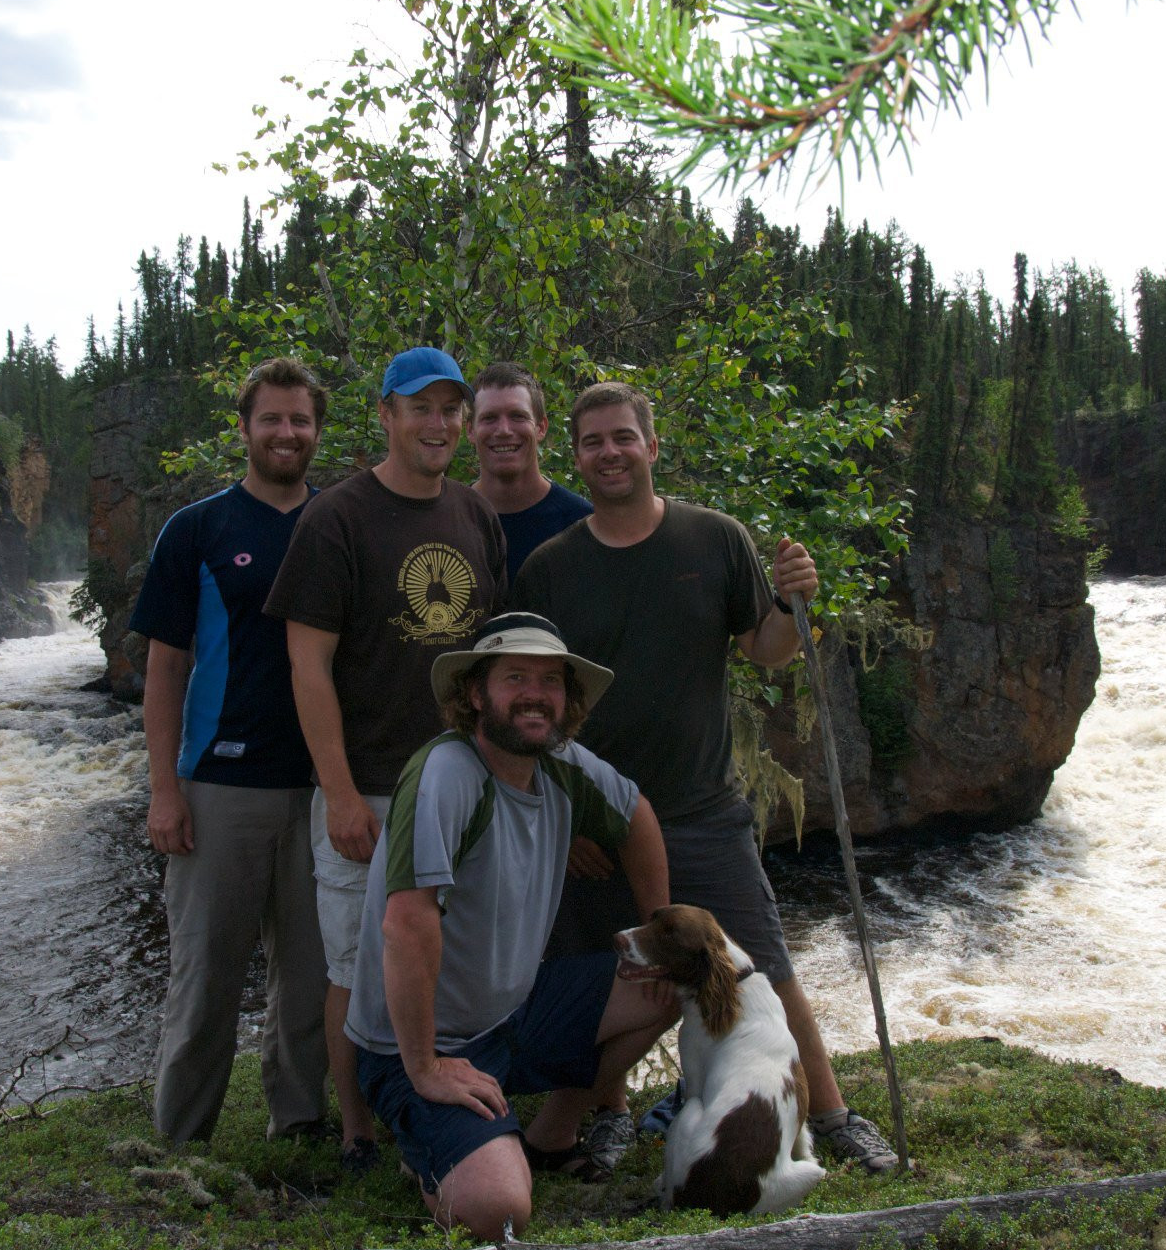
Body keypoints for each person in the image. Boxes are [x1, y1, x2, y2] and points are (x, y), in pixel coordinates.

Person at [510, 380, 902, 1173]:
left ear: (652, 446)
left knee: (762, 963)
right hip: (594, 819)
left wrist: (797, 603)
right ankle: (608, 1115)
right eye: (593, 441)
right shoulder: (552, 568)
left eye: (624, 437)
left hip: (702, 807)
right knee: (603, 978)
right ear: (574, 454)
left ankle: (830, 1112)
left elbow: (765, 646)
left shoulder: (715, 538)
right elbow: (534, 701)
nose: (610, 452)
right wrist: (568, 817)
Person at [345, 613, 676, 1239]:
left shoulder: (562, 765)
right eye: (515, 677)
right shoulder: (446, 772)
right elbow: (406, 925)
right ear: (476, 695)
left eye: (552, 681)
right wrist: (424, 1066)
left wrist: (656, 934)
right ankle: (432, 1152)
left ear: (567, 699)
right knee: (499, 1210)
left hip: (516, 1016)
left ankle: (552, 1133)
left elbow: (637, 818)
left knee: (676, 979)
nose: (535, 693)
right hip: (416, 1046)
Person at [265, 346, 508, 1172]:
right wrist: (338, 794)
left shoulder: (474, 517)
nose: (438, 424)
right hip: (366, 785)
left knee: (437, 961)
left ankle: (430, 1106)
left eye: (451, 409)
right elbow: (308, 664)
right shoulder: (336, 518)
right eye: (420, 408)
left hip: (456, 788)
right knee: (352, 967)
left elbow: (488, 658)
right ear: (386, 416)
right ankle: (359, 1131)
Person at [131, 356, 331, 1144]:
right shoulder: (198, 529)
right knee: (205, 978)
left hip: (320, 787)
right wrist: (164, 789)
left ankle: (301, 1122)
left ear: (318, 430)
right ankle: (182, 1141)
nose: (287, 433)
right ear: (244, 428)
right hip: (218, 782)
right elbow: (165, 666)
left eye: (301, 420)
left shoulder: (337, 524)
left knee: (311, 979)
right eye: (272, 419)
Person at [469, 363, 593, 582]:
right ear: (470, 430)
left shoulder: (582, 524)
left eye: (518, 416)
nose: (504, 430)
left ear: (541, 427)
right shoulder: (451, 520)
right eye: (489, 418)